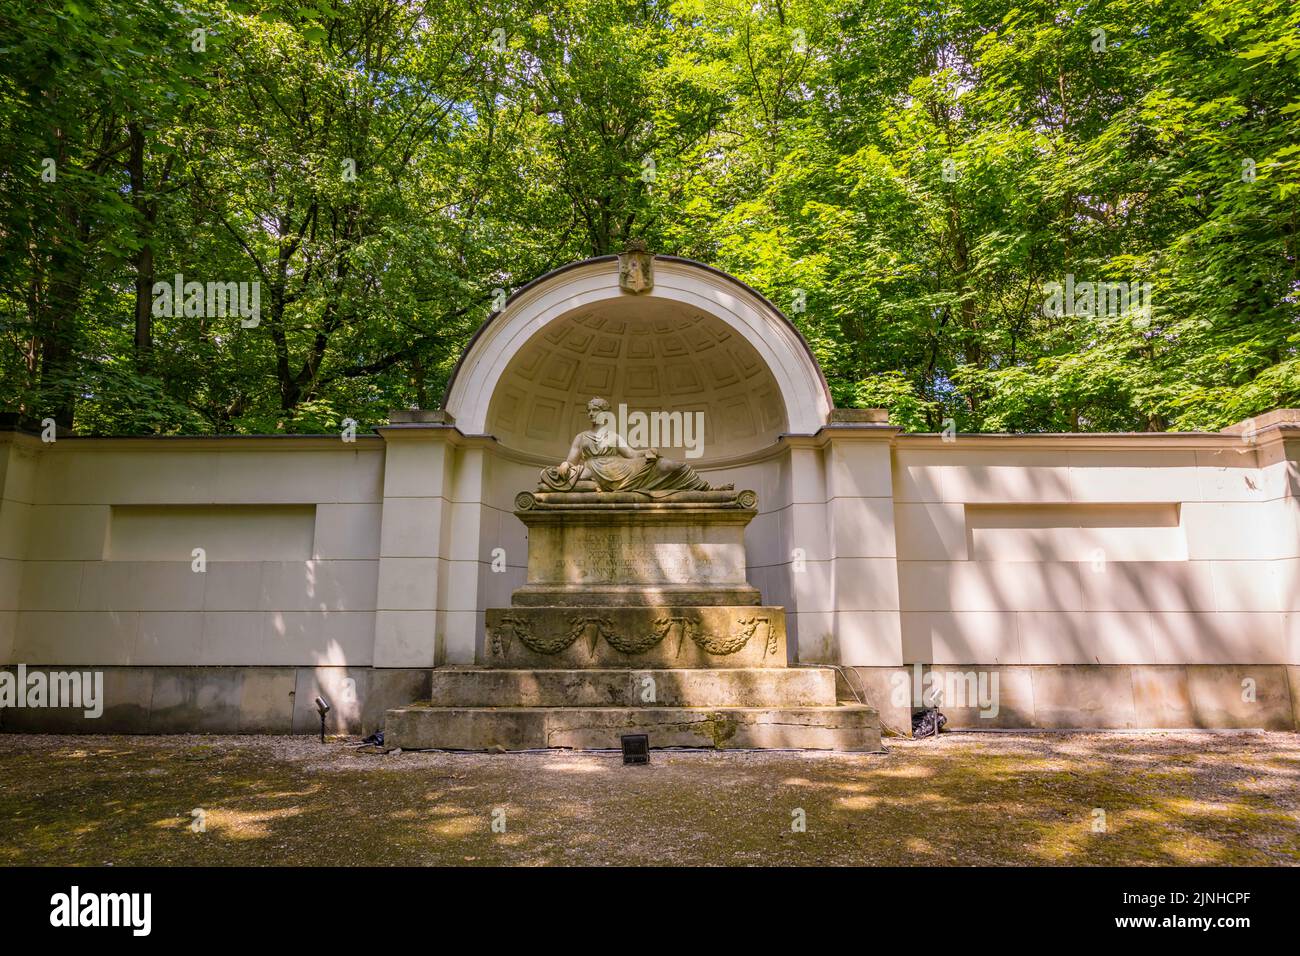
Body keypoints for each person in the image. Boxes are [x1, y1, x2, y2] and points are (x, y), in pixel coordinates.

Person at [539, 397, 726, 494]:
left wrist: (648, 451)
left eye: (595, 410)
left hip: (621, 470)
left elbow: (632, 454)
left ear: (605, 413)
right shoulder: (582, 437)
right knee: (552, 477)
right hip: (593, 469)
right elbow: (570, 462)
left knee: (670, 466)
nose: (590, 414)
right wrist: (565, 465)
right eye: (589, 410)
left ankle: (705, 489)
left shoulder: (613, 436)